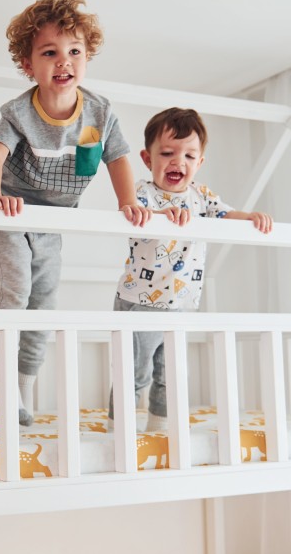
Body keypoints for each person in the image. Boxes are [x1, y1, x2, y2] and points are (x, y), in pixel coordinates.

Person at [0, 0, 149, 426]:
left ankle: (23, 386)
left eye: (74, 51)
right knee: (15, 290)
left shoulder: (99, 112)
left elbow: (118, 159)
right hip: (13, 210)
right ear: (28, 64)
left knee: (44, 303)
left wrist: (127, 202)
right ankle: (4, 383)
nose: (63, 61)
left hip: (54, 218)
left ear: (87, 57)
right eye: (49, 52)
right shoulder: (19, 111)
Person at [113, 107, 272, 432]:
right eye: (167, 153)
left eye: (188, 155)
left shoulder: (201, 196)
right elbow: (136, 213)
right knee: (134, 371)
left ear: (199, 163)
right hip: (139, 302)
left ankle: (160, 428)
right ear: (147, 158)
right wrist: (163, 213)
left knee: (170, 373)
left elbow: (226, 215)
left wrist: (252, 218)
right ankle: (120, 431)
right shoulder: (142, 193)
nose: (178, 162)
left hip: (183, 303)